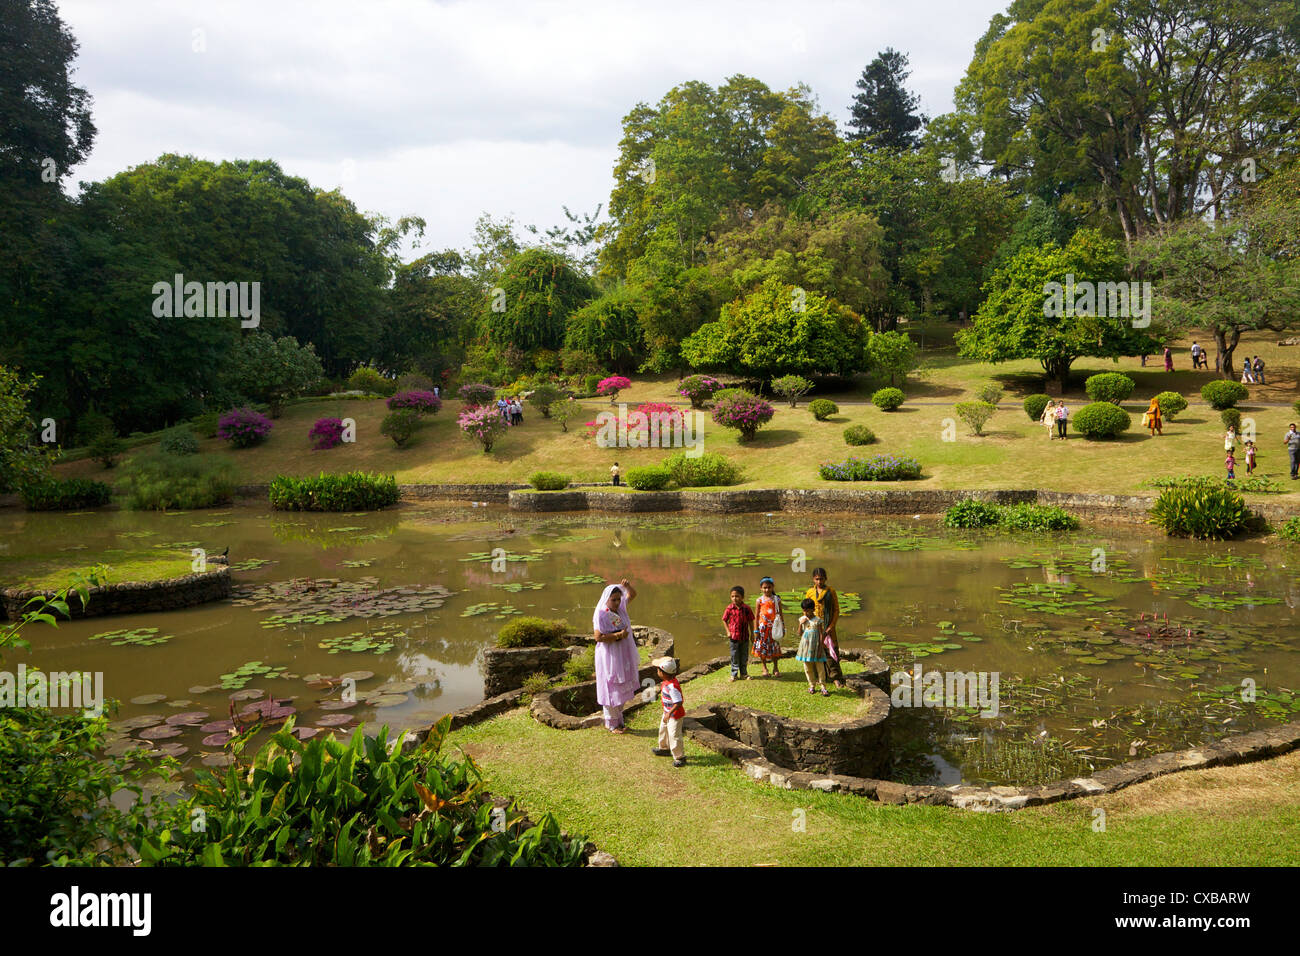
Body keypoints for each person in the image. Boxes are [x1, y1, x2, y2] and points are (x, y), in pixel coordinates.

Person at [592, 580, 640, 734]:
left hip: (622, 654)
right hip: (609, 655)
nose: (617, 602)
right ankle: (611, 724)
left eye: (619, 599)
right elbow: (598, 637)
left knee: (622, 685)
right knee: (610, 685)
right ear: (606, 598)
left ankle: (620, 722)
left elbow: (632, 594)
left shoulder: (621, 609)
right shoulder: (601, 614)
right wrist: (619, 635)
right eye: (614, 600)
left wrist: (626, 587)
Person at [804, 568, 843, 687]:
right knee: (815, 651)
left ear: (825, 579)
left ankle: (835, 677)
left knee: (831, 651)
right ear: (813, 579)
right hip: (814, 627)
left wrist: (831, 626)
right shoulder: (810, 592)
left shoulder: (831, 592)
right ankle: (819, 677)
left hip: (828, 627)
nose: (819, 581)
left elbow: (836, 610)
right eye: (817, 579)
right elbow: (806, 609)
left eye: (821, 579)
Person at [651, 656, 686, 767]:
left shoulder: (672, 686)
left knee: (674, 735)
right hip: (667, 713)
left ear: (664, 672)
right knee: (663, 730)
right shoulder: (666, 682)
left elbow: (678, 702)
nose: (657, 672)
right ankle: (664, 748)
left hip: (674, 715)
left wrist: (669, 713)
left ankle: (679, 757)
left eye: (658, 670)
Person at [795, 599, 829, 696]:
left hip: (816, 646)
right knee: (807, 667)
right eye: (804, 610)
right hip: (805, 647)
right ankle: (812, 685)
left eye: (808, 611)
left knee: (820, 667)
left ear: (813, 609)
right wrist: (800, 623)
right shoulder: (802, 619)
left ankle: (823, 686)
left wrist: (820, 647)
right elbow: (799, 634)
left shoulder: (817, 620)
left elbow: (821, 634)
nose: (806, 613)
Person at [752, 576, 785, 677]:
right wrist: (755, 630)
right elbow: (756, 616)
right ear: (761, 588)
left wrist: (783, 627)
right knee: (762, 648)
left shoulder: (777, 599)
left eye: (769, 587)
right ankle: (764, 668)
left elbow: (780, 614)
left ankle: (775, 667)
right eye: (764, 588)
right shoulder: (759, 600)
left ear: (773, 587)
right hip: (763, 628)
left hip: (774, 628)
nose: (767, 590)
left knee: (775, 647)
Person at [722, 586, 754, 680]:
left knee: (744, 656)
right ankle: (734, 674)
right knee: (734, 656)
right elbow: (724, 620)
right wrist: (728, 631)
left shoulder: (746, 608)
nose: (735, 598)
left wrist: (753, 634)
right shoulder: (729, 608)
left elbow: (751, 621)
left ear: (742, 597)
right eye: (732, 596)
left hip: (744, 637)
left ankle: (744, 674)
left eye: (737, 596)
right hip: (733, 638)